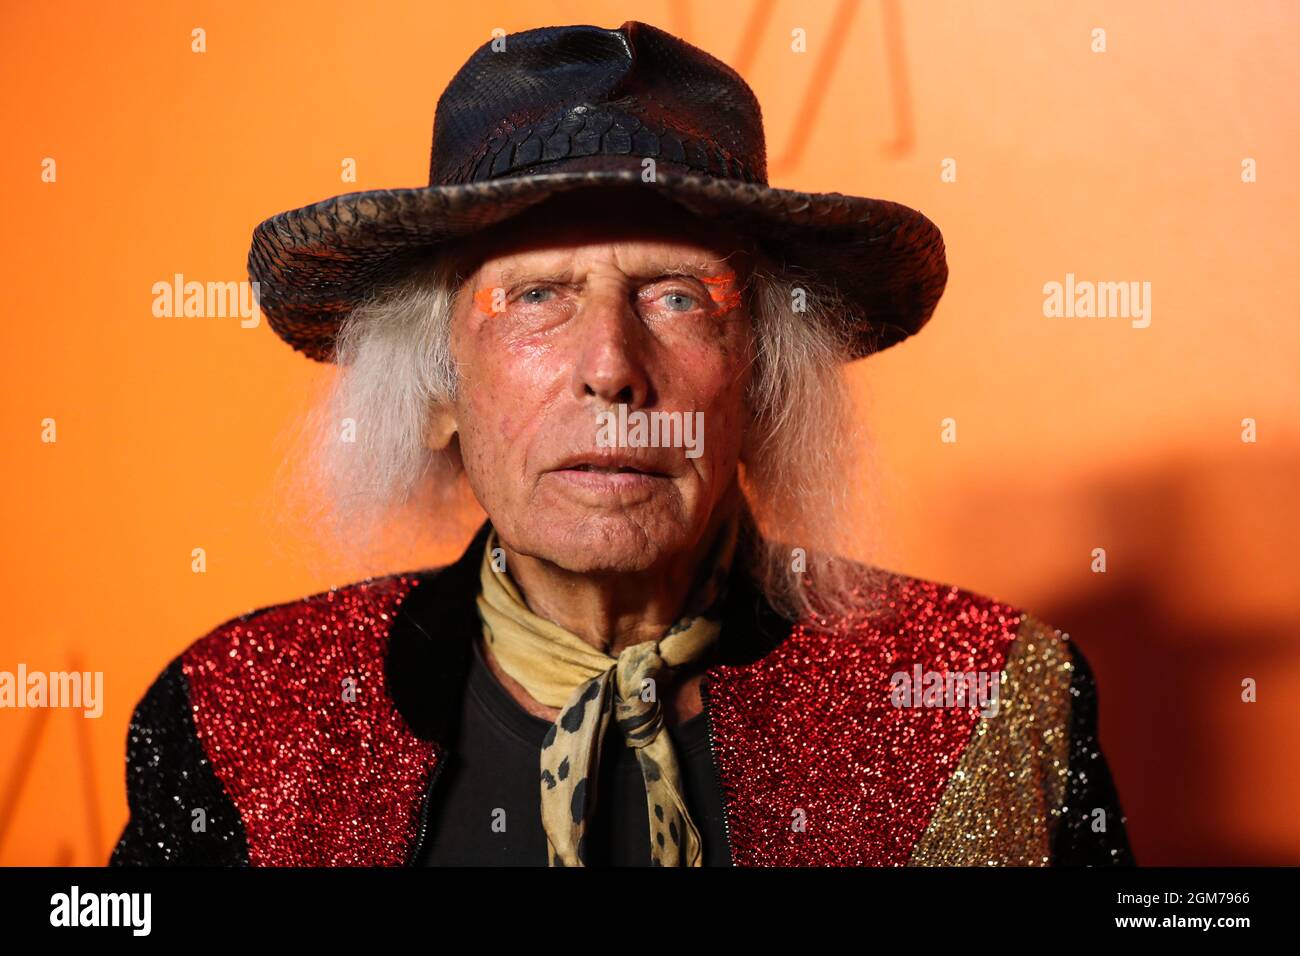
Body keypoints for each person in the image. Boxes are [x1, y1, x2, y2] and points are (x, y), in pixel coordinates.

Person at [110, 20, 1132, 867]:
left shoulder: (986, 706)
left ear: (761, 378)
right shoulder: (241, 718)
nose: (611, 366)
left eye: (678, 296)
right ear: (436, 389)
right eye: (536, 296)